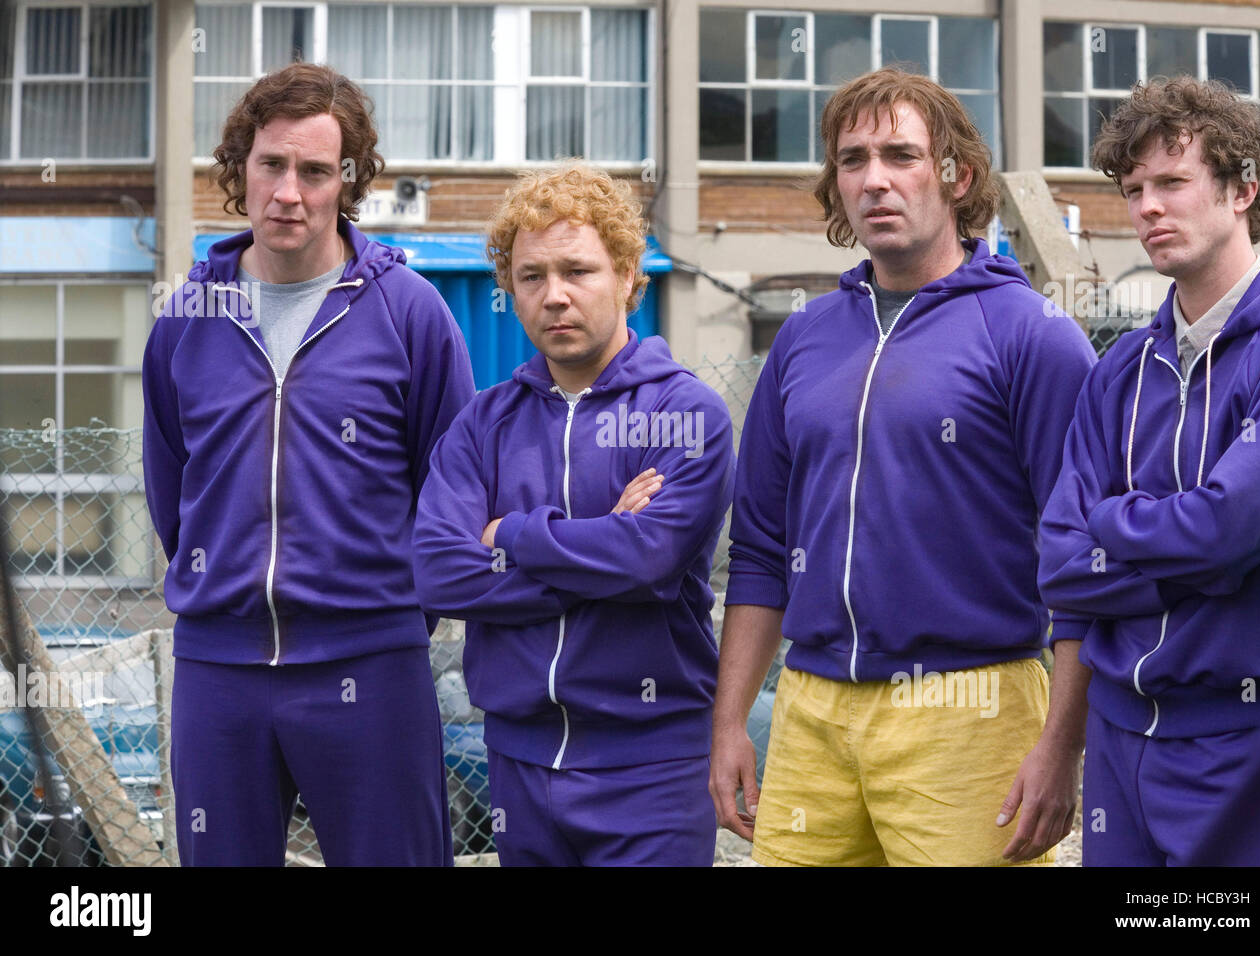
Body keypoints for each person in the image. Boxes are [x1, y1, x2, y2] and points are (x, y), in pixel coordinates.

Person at [710, 68, 1097, 866]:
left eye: (901, 155)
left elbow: (1085, 565)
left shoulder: (1032, 334)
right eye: (852, 161)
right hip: (810, 708)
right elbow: (757, 552)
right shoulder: (804, 338)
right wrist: (728, 728)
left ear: (955, 175)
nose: (874, 179)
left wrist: (1062, 747)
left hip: (971, 705)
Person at [142, 63, 475, 866]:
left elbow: (452, 493)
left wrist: (390, 615)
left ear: (346, 182)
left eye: (315, 171)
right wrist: (222, 590)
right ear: (241, 169)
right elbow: (173, 490)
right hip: (220, 674)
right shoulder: (186, 317)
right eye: (271, 165)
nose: (289, 192)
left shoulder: (409, 313)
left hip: (372, 667)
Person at [411, 161, 735, 866]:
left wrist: (511, 535)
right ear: (511, 290)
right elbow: (438, 574)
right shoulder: (481, 424)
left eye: (577, 271)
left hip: (653, 767)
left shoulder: (685, 413)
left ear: (626, 275)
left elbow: (648, 560)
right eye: (532, 277)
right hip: (517, 765)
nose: (554, 296)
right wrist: (597, 547)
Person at [1038, 76, 1260, 866]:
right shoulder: (1118, 371)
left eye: (1174, 181)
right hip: (1121, 747)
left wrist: (1115, 521)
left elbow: (1226, 528)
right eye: (1134, 189)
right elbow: (1057, 564)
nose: (1149, 206)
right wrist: (1208, 560)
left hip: (1248, 742)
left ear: (1243, 188)